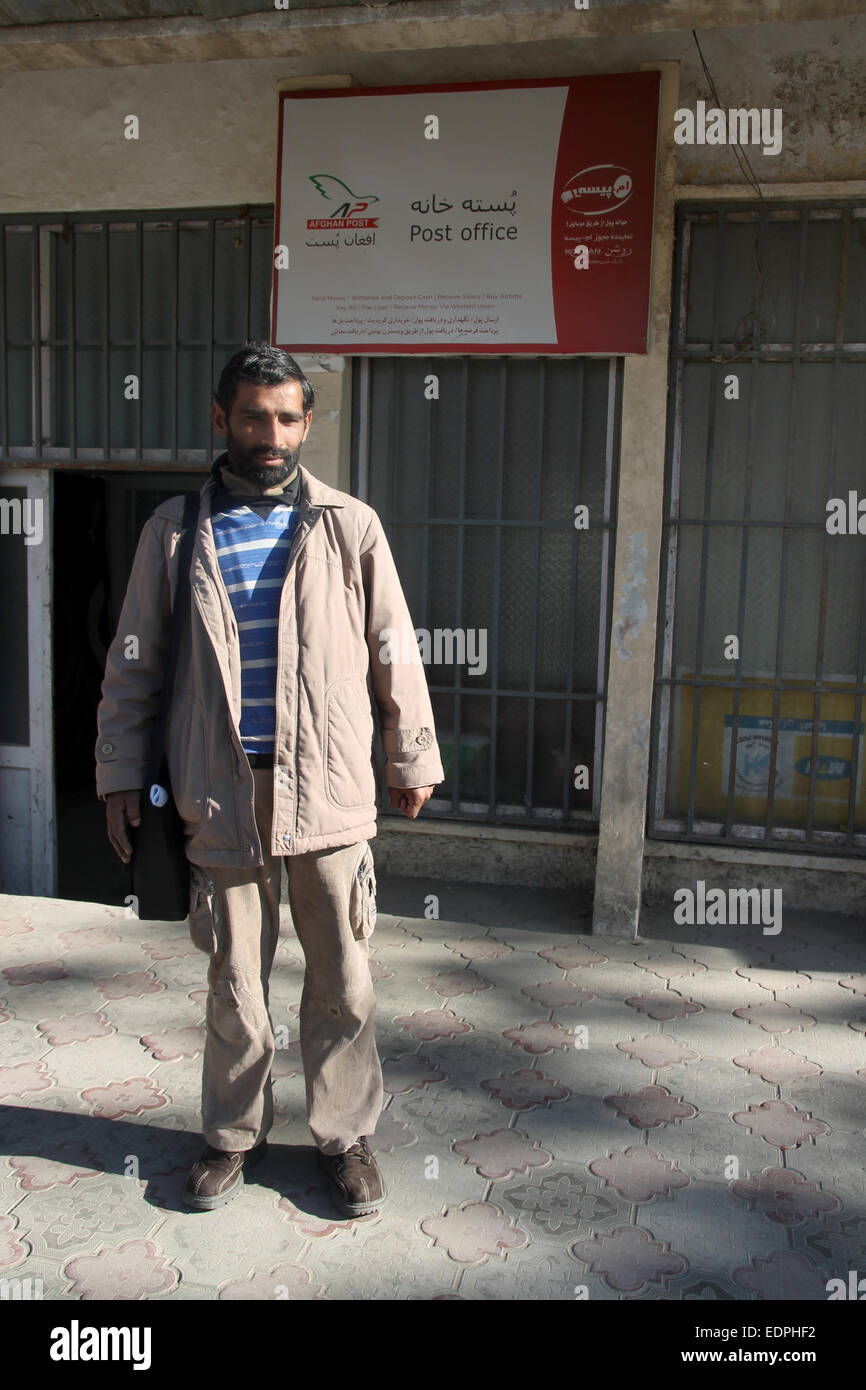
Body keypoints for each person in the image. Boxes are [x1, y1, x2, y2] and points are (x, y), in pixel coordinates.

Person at [95, 341, 444, 1219]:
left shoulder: (348, 526)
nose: (271, 433)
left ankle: (345, 1137)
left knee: (342, 978)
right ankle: (231, 1136)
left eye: (288, 416)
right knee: (235, 983)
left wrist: (412, 754)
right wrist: (120, 775)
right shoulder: (175, 532)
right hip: (220, 789)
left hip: (326, 789)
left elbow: (393, 647)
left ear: (308, 424)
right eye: (254, 415)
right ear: (222, 419)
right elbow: (134, 663)